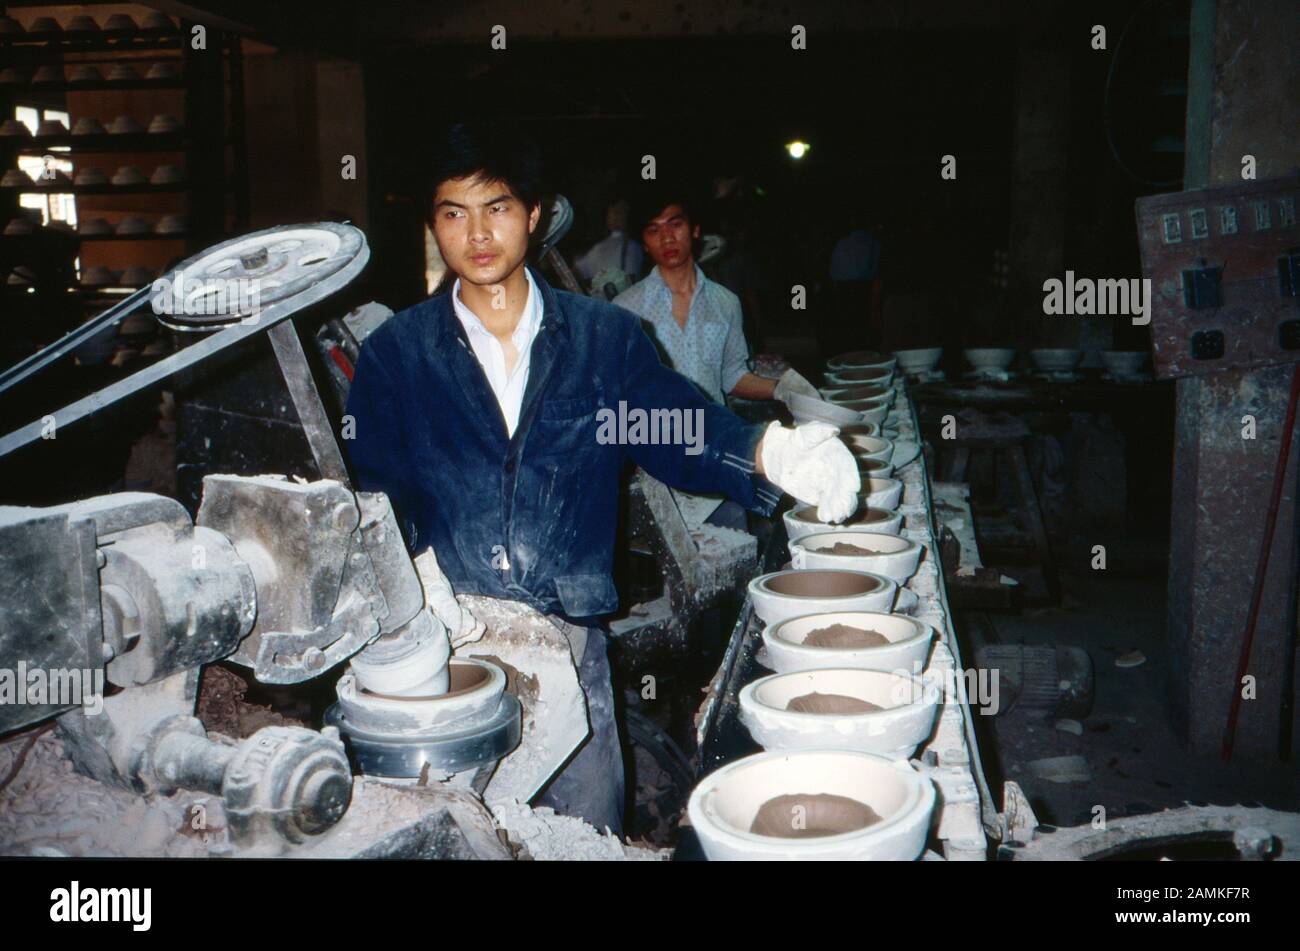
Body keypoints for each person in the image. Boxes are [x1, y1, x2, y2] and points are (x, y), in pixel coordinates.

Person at [344, 122, 859, 836]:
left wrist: (769, 452)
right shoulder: (396, 356)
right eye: (454, 213)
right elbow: (375, 495)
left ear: (533, 214)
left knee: (586, 831)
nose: (478, 233)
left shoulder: (600, 339)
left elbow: (670, 427)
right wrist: (405, 602)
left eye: (497, 207)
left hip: (569, 639)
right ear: (433, 224)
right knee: (453, 833)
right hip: (447, 646)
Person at [614, 185, 817, 407]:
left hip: (716, 426)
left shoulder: (725, 302)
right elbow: (616, 383)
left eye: (676, 224)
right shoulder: (626, 308)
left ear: (695, 230)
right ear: (644, 244)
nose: (667, 238)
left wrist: (781, 389)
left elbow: (732, 375)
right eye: (653, 230)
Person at [825, 209, 883, 360]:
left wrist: (835, 286)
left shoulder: (843, 243)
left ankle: (851, 357)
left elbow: (834, 268)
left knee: (848, 327)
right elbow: (875, 270)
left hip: (846, 287)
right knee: (862, 327)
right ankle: (860, 358)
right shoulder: (872, 243)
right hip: (862, 288)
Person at [573, 197, 643, 300]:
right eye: (614, 212)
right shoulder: (597, 247)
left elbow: (630, 281)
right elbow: (578, 271)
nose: (616, 216)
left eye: (621, 212)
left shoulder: (632, 246)